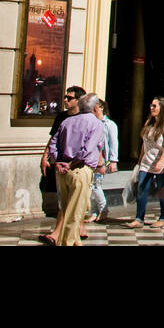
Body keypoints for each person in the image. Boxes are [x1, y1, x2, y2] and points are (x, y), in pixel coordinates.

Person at [47, 94, 105, 246]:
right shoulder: (97, 124)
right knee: (75, 213)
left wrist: (58, 161)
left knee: (67, 210)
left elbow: (53, 143)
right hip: (80, 169)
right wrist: (71, 163)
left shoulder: (67, 121)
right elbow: (87, 149)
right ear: (96, 107)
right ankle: (68, 242)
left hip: (63, 171)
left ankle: (72, 242)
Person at [40, 85, 85, 244]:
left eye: (69, 98)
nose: (65, 100)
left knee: (69, 202)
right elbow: (53, 138)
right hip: (61, 163)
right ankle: (75, 230)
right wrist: (45, 157)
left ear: (78, 100)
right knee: (66, 201)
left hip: (78, 165)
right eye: (65, 97)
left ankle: (59, 233)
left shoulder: (86, 118)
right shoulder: (61, 117)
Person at [128, 96, 164, 229]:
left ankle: (163, 218)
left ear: (163, 108)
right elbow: (145, 144)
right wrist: (139, 160)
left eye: (155, 106)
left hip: (163, 161)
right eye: (151, 105)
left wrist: (161, 162)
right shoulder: (150, 123)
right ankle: (139, 218)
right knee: (141, 188)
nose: (151, 108)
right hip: (147, 161)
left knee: (163, 190)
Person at [88, 98, 119, 224]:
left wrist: (113, 161)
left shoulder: (109, 124)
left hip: (102, 159)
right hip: (90, 158)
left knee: (95, 185)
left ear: (100, 107)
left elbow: (113, 143)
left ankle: (103, 209)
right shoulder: (91, 123)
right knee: (91, 186)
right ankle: (94, 212)